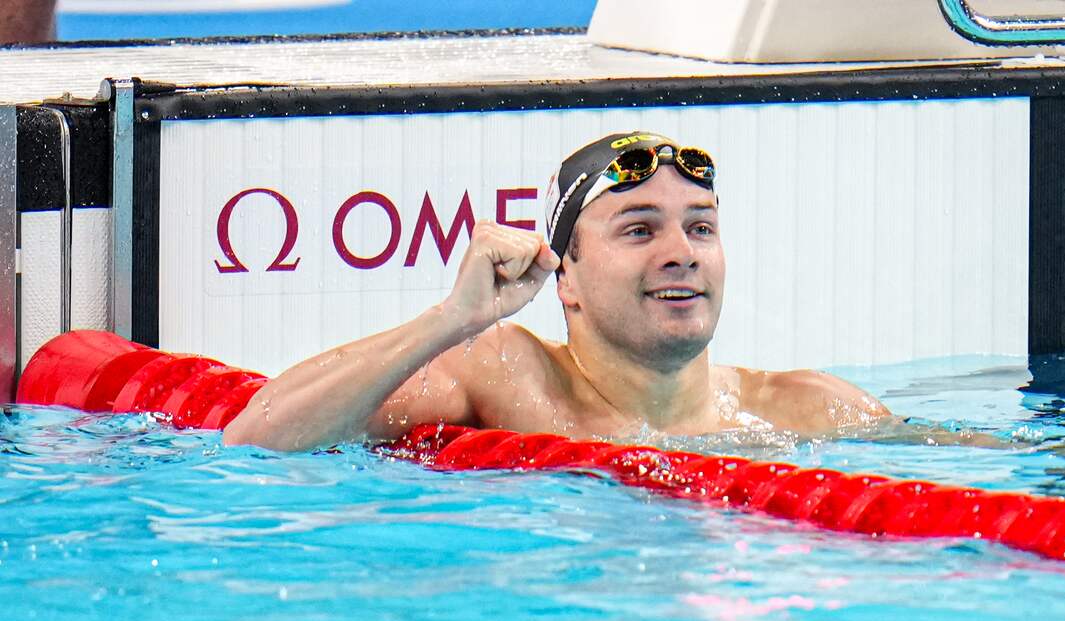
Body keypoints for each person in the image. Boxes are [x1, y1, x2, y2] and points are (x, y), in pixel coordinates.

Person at [224, 132, 890, 451]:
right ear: (563, 275)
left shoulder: (813, 409)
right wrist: (449, 321)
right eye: (639, 231)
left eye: (701, 228)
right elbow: (254, 439)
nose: (681, 255)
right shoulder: (511, 376)